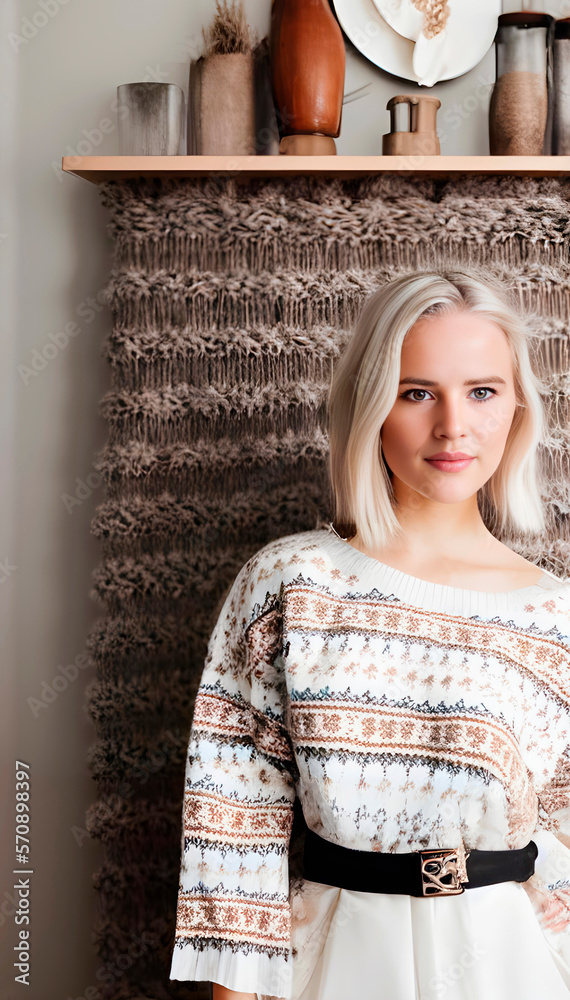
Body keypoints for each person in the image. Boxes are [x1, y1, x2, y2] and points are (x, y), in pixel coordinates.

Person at [169, 268, 570, 999]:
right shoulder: (290, 582)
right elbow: (231, 818)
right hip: (335, 955)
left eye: (482, 391)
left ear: (516, 408)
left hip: (511, 965)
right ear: (371, 404)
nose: (453, 426)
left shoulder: (555, 616)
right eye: (417, 392)